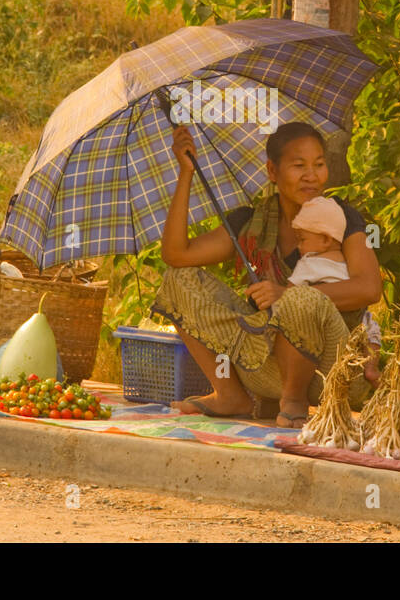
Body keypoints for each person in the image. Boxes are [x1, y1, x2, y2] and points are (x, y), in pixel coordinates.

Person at [153, 122, 383, 428]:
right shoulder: (252, 222)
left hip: (335, 373)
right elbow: (176, 255)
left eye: (319, 164)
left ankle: (293, 400)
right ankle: (230, 394)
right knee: (178, 280)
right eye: (299, 165)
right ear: (272, 172)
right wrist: (186, 174)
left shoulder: (341, 218)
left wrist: (286, 295)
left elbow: (369, 288)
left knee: (301, 300)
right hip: (265, 365)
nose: (312, 176)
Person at [287, 196, 383, 348]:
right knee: (371, 328)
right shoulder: (348, 260)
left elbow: (289, 293)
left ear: (326, 240)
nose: (298, 246)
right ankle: (370, 364)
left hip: (328, 324)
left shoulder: (308, 263)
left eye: (302, 240)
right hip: (355, 318)